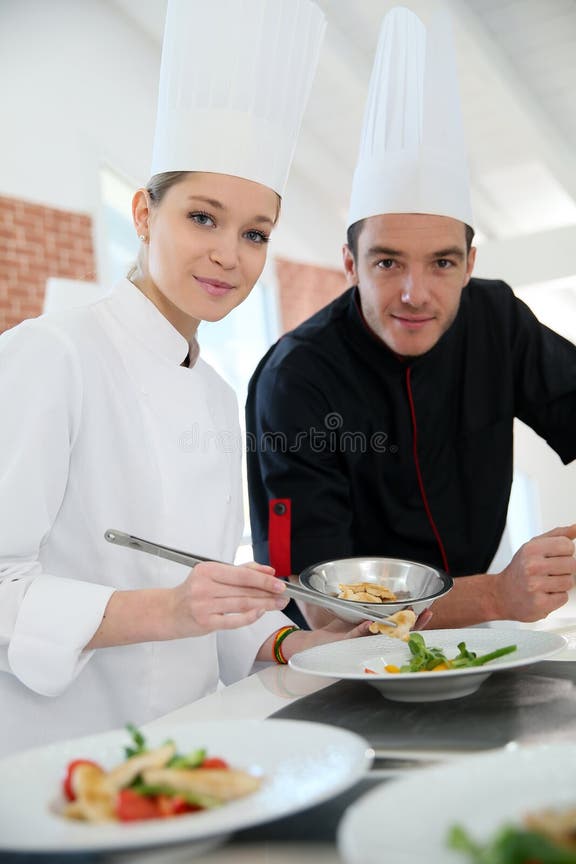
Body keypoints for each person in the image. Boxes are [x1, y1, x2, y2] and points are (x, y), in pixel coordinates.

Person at [0, 0, 370, 758]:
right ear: (142, 213)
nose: (229, 255)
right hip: (58, 763)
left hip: (190, 755)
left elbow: (206, 614)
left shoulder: (213, 392)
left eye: (255, 233)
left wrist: (304, 649)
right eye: (203, 217)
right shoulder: (50, 354)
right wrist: (169, 609)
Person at [246, 6, 576, 630]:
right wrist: (497, 599)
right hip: (337, 670)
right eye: (388, 262)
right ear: (350, 262)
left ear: (471, 262)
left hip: (476, 642)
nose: (415, 293)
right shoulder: (297, 380)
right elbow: (326, 610)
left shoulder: (496, 320)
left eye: (443, 263)